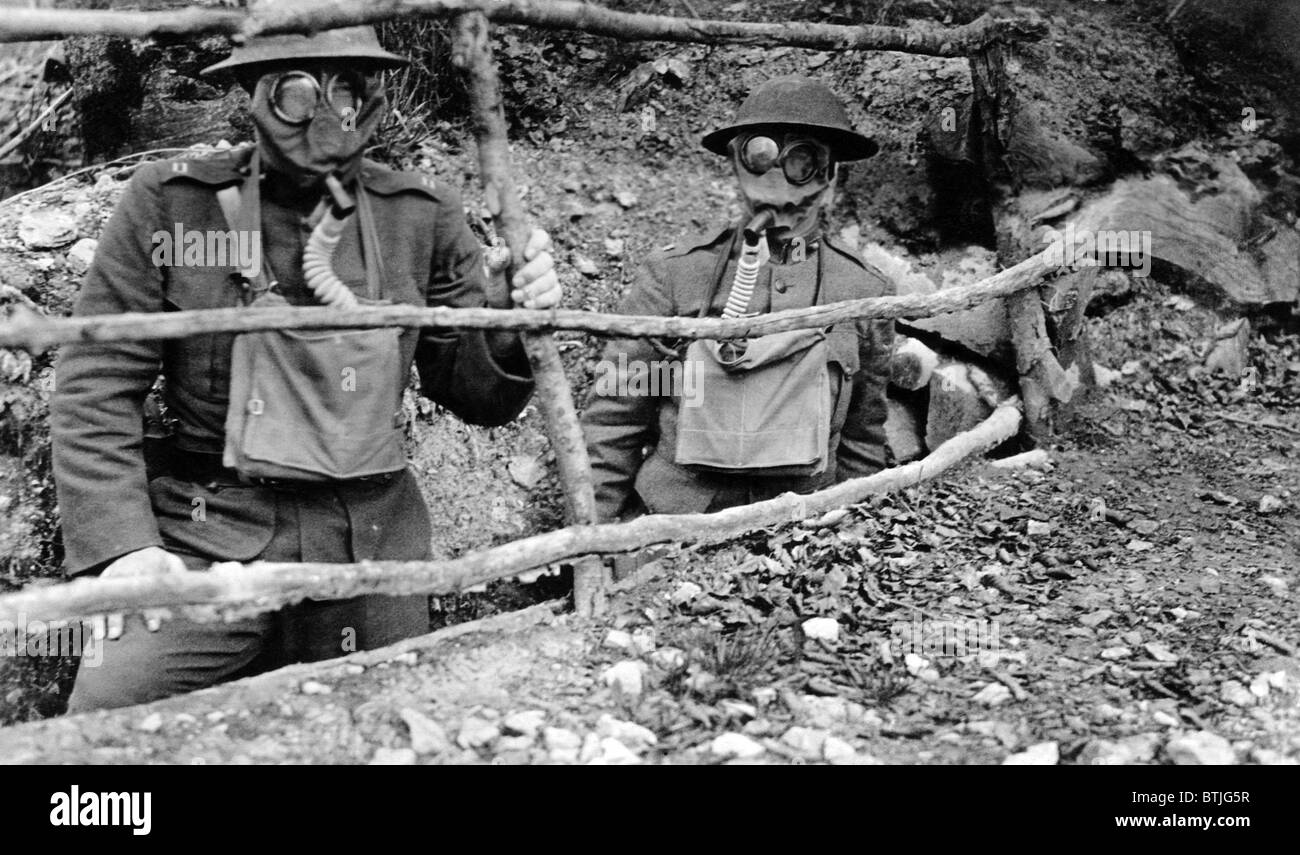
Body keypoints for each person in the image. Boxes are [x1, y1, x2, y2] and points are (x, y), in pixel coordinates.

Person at [50, 26, 562, 711]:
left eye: (346, 88)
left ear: (374, 98)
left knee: (393, 727)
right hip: (210, 534)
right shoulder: (173, 203)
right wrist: (125, 548)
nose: (325, 113)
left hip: (369, 542)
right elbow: (96, 381)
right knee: (98, 729)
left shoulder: (420, 217)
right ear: (254, 97)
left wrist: (507, 320)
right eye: (296, 90)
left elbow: (473, 392)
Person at [582, 76, 894, 525]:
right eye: (761, 155)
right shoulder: (674, 276)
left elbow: (862, 440)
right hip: (676, 527)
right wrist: (593, 541)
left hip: (804, 533)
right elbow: (614, 422)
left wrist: (854, 530)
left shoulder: (863, 290)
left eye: (804, 158)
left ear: (830, 174)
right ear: (736, 163)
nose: (781, 185)